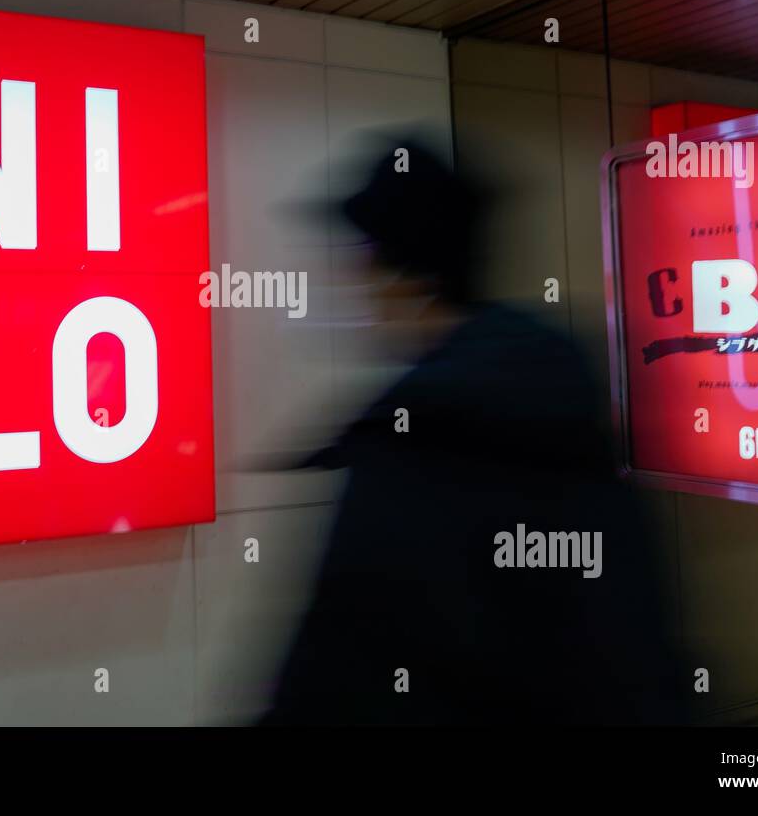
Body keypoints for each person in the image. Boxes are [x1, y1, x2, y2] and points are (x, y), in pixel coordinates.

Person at [261, 134, 690, 726]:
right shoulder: (563, 406)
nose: (353, 277)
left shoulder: (413, 449)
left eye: (364, 254)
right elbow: (637, 649)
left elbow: (332, 679)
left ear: (405, 272)